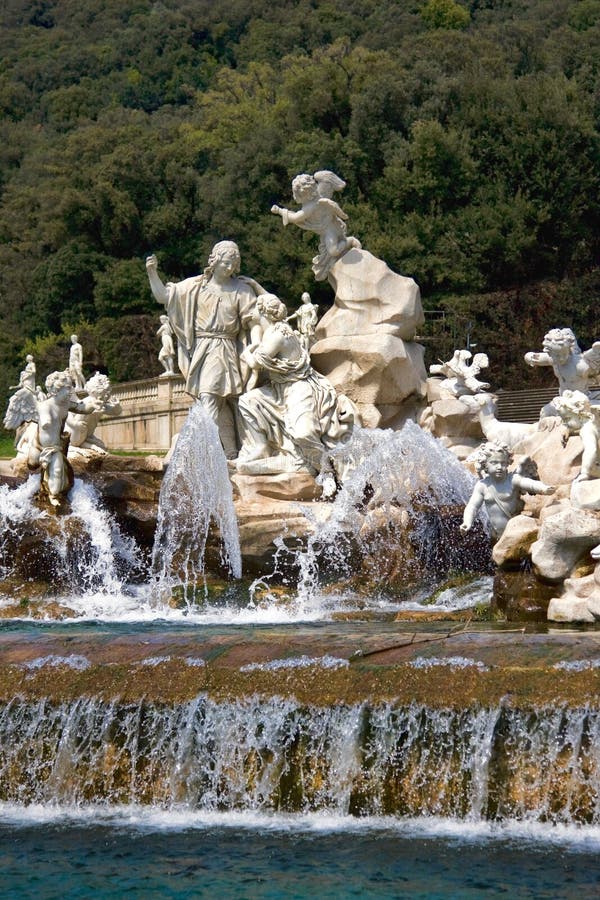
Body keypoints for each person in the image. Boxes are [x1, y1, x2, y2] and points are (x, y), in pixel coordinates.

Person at [146, 241, 262, 457]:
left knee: (213, 397)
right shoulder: (194, 287)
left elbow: (254, 321)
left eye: (234, 264)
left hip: (226, 348)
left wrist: (255, 344)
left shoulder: (242, 290)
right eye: (226, 263)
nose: (230, 268)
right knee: (217, 400)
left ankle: (208, 451)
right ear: (215, 261)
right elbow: (163, 297)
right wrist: (152, 273)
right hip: (202, 348)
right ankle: (227, 451)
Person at [236, 294, 354, 475]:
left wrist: (246, 353)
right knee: (248, 401)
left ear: (262, 311)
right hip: (279, 389)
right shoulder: (273, 331)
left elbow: (254, 363)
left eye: (254, 308)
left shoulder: (278, 335)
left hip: (298, 387)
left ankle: (326, 471)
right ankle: (261, 447)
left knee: (303, 433)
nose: (252, 313)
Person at [271, 171, 361, 280]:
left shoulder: (310, 207)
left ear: (305, 194)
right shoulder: (318, 195)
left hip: (329, 230)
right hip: (330, 227)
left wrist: (279, 211)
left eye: (298, 194)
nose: (295, 197)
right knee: (333, 253)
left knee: (333, 251)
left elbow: (295, 218)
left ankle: (350, 241)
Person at [460, 442, 553, 542]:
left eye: (503, 463)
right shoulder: (482, 485)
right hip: (496, 535)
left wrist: (543, 488)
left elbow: (529, 483)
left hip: (514, 532)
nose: (499, 467)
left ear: (508, 463)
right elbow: (472, 506)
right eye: (494, 463)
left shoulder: (513, 479)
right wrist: (467, 522)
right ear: (485, 464)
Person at [524, 328, 600, 411]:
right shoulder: (553, 360)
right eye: (556, 355)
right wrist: (531, 357)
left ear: (568, 349)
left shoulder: (580, 366)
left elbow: (596, 376)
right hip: (563, 401)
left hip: (582, 401)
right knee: (545, 411)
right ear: (550, 353)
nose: (560, 358)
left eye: (563, 354)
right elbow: (531, 357)